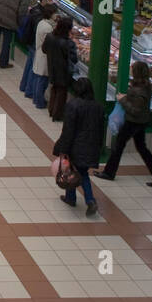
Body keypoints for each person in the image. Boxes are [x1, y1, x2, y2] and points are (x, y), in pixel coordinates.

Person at [96, 60, 152, 187]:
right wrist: (127, 98)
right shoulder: (145, 86)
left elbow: (135, 110)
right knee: (142, 148)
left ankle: (109, 172)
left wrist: (123, 100)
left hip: (133, 122)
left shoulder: (140, 90)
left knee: (118, 146)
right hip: (141, 121)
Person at [53, 76, 103, 217]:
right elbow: (100, 130)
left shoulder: (73, 105)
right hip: (91, 145)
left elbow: (68, 130)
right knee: (78, 171)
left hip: (76, 145)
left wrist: (63, 149)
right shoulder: (98, 107)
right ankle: (71, 197)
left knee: (75, 172)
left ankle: (89, 200)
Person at [42, 16, 78, 121]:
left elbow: (44, 49)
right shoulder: (68, 43)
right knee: (61, 93)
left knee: (54, 89)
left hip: (52, 68)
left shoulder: (49, 36)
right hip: (63, 71)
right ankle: (57, 114)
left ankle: (51, 109)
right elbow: (74, 59)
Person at [28, 4, 59, 110]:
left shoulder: (42, 23)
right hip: (44, 57)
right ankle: (39, 101)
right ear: (51, 14)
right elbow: (49, 43)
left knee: (38, 79)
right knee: (42, 81)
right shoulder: (47, 27)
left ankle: (36, 99)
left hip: (40, 54)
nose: (57, 15)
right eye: (55, 13)